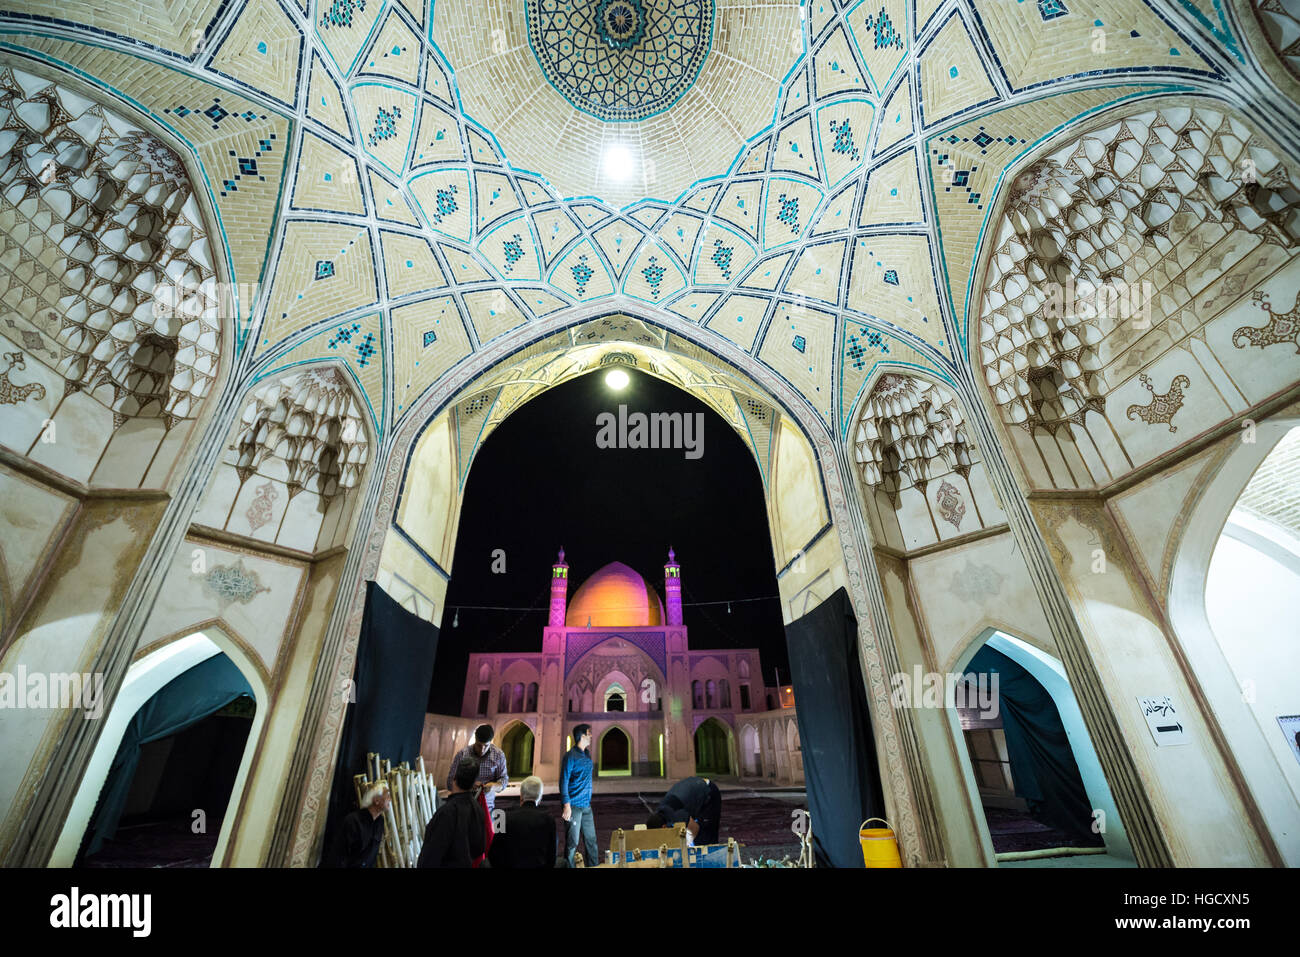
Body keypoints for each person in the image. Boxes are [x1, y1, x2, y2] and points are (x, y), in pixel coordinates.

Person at [418, 754, 486, 867]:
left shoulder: (446, 813)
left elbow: (430, 856)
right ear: (474, 783)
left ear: (454, 777)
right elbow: (480, 848)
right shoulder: (478, 810)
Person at [488, 775, 556, 869]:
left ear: (521, 796)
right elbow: (551, 858)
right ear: (540, 798)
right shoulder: (549, 820)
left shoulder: (503, 817)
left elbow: (493, 854)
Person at [446, 724, 509, 814]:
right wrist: (469, 785)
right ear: (475, 740)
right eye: (479, 746)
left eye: (486, 746)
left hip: (487, 806)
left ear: (491, 742)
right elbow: (449, 782)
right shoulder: (463, 754)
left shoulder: (498, 755)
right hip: (463, 804)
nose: (482, 750)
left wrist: (493, 786)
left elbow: (504, 780)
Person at [559, 724, 597, 867]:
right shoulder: (570, 756)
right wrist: (566, 805)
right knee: (572, 843)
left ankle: (594, 865)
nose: (591, 735)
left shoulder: (587, 754)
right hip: (573, 806)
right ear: (582, 736)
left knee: (591, 841)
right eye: (588, 733)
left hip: (586, 806)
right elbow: (563, 781)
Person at [646, 776, 722, 845]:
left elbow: (695, 829)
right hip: (694, 788)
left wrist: (684, 846)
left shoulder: (675, 814)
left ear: (664, 827)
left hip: (709, 792)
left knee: (704, 839)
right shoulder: (661, 812)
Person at [334, 781, 389, 867]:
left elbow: (372, 856)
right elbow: (339, 856)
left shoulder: (380, 822)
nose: (390, 799)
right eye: (387, 796)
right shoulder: (353, 821)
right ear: (376, 800)